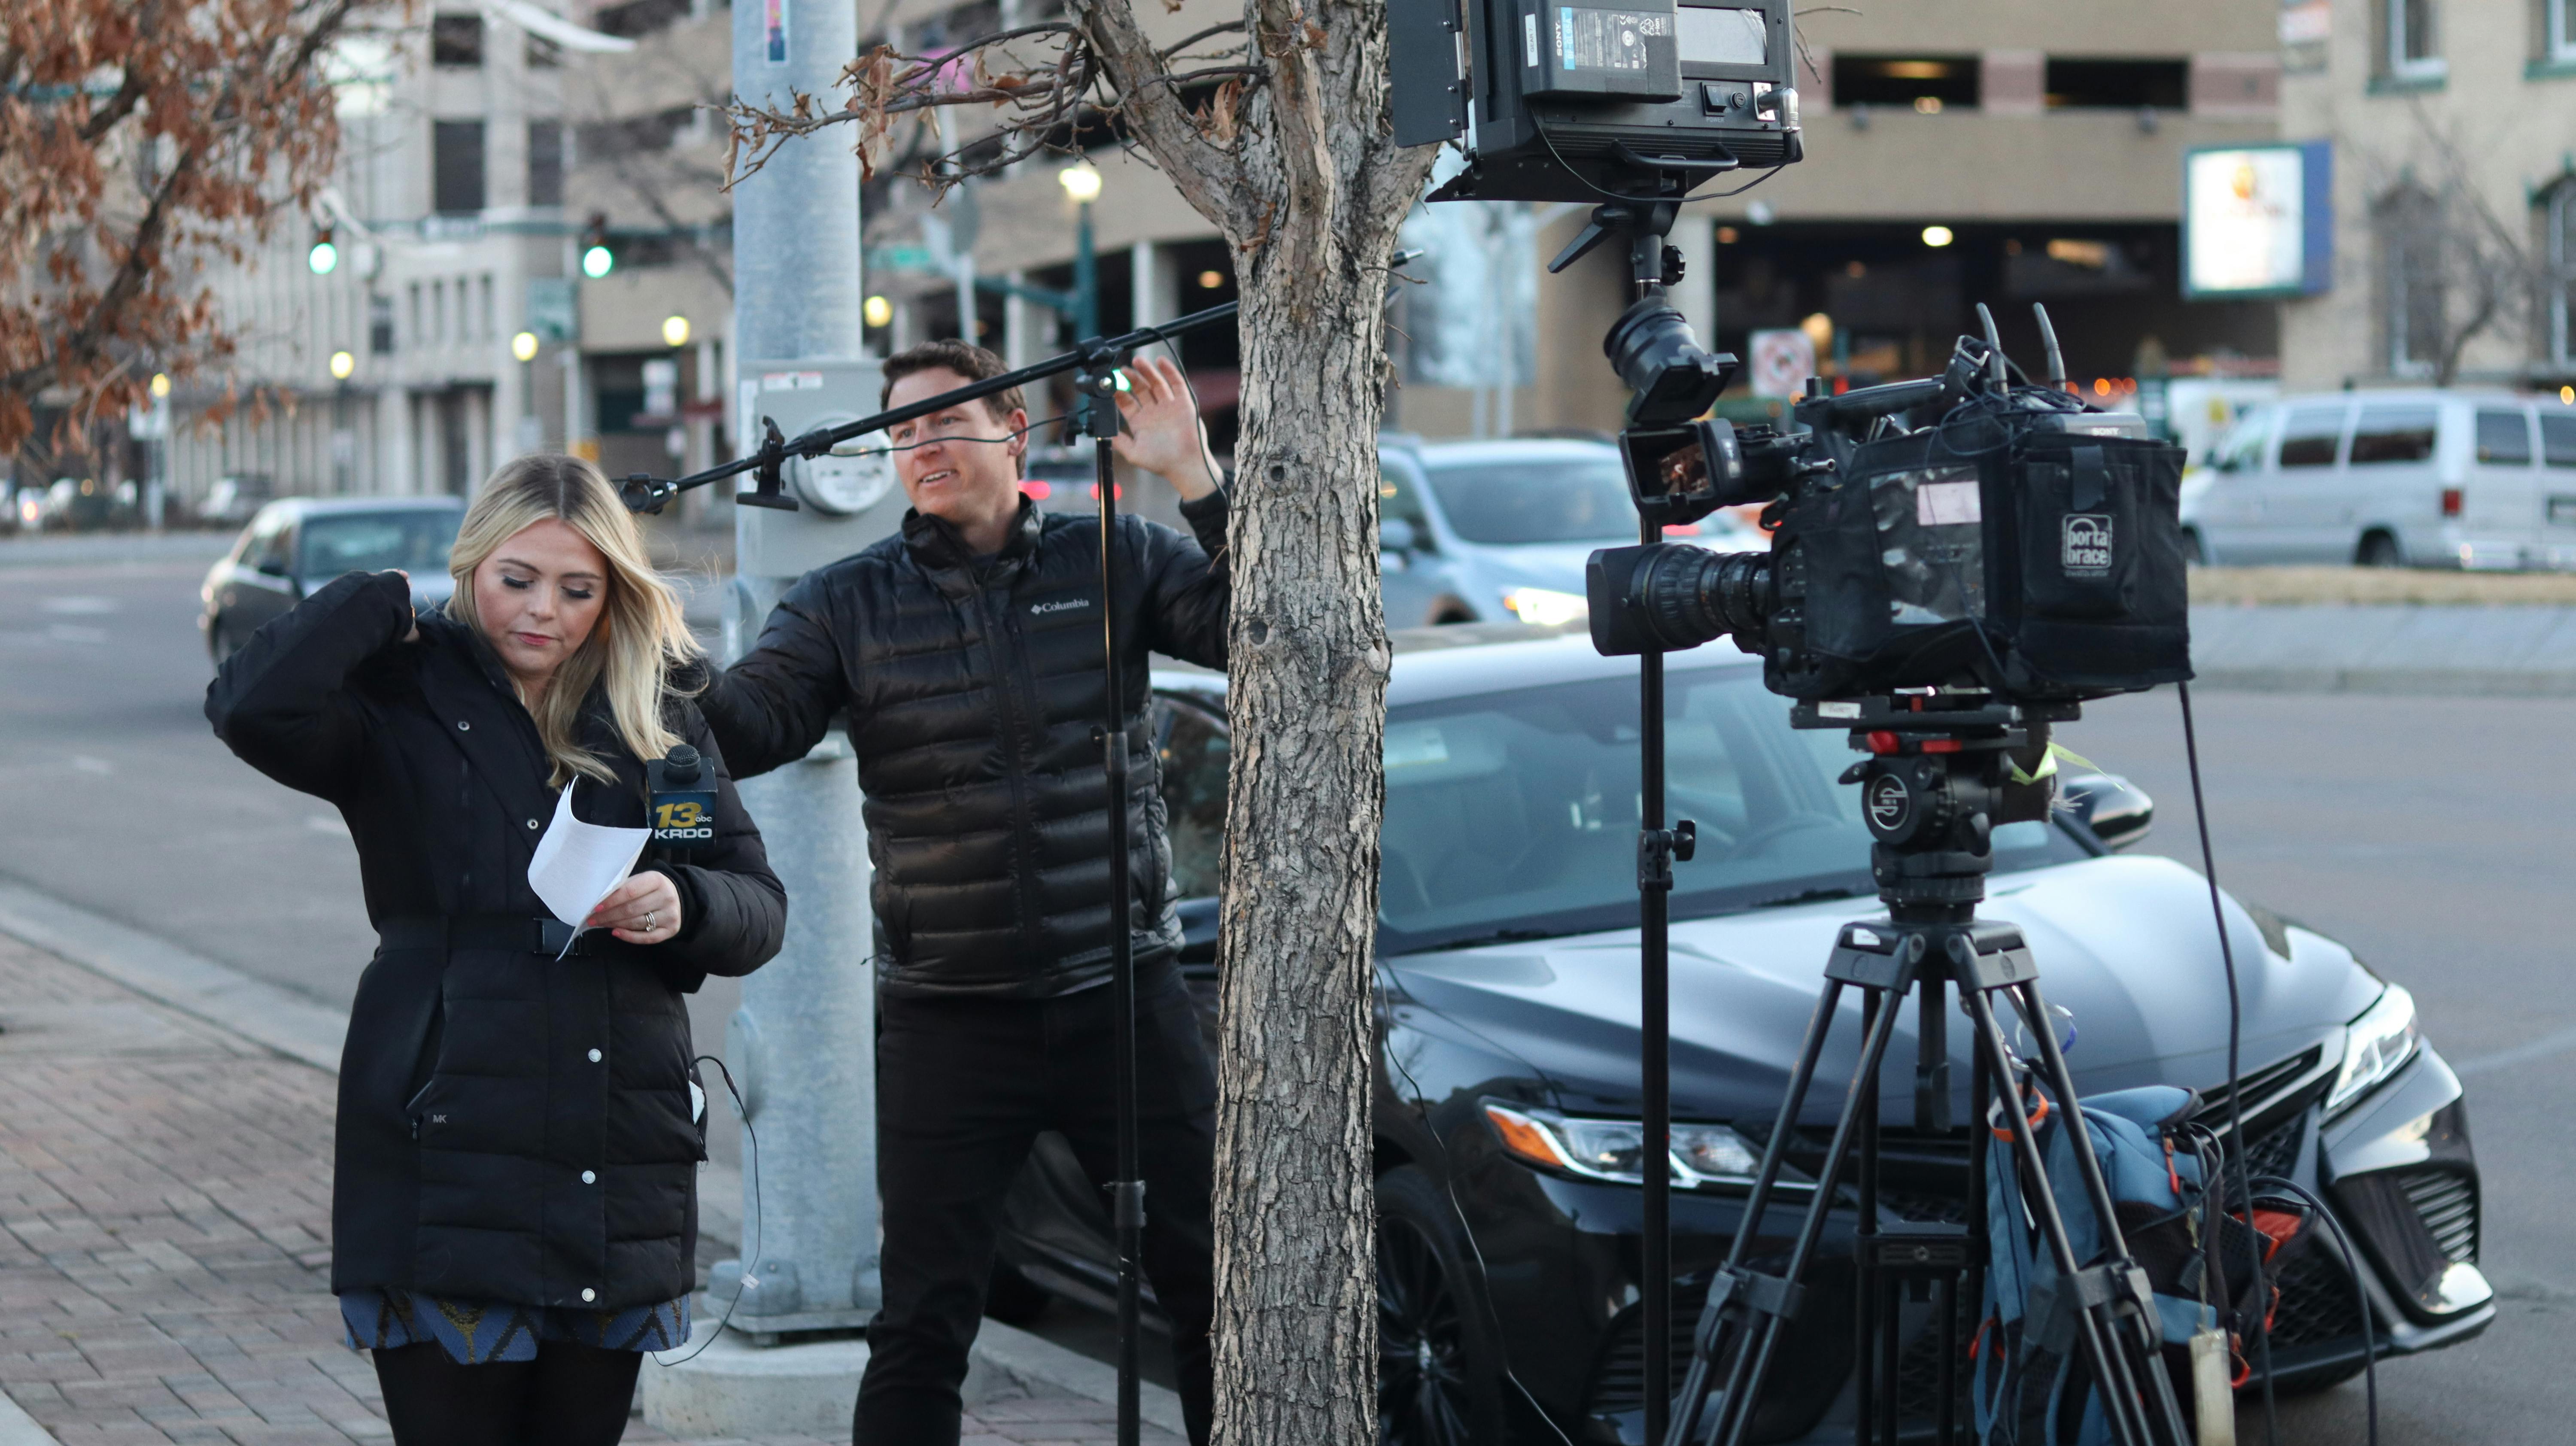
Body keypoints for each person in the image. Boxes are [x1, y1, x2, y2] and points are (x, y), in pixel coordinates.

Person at [698, 341, 1228, 1446]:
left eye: (945, 422)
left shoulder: (1116, 558)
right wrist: (649, 662)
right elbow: (746, 725)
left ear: (1016, 434)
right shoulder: (843, 604)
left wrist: (1195, 480)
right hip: (950, 1012)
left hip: (1121, 992)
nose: (921, 447)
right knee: (926, 1314)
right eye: (900, 433)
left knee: (1210, 1283)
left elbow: (1256, 636)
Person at [205, 456, 787, 1446]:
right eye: (516, 578)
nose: (543, 613)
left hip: (617, 1145)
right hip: (447, 1136)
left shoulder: (657, 710)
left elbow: (755, 902)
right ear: (472, 565)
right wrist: (382, 598)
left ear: (613, 593)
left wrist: (681, 900)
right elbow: (251, 708)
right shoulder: (402, 688)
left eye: (578, 588)